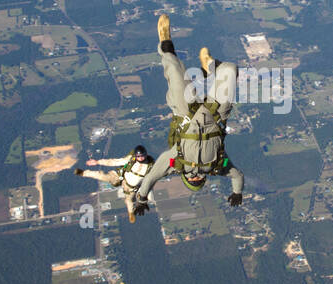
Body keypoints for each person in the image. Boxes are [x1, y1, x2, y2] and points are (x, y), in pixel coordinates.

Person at [130, 14, 244, 215]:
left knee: (174, 70)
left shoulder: (175, 162)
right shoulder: (219, 165)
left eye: (192, 179)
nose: (196, 176)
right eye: (198, 180)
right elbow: (237, 175)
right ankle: (210, 66)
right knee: (230, 69)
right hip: (215, 114)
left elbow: (151, 178)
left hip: (186, 113)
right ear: (205, 178)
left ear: (184, 177)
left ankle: (165, 43)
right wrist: (237, 192)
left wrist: (140, 199)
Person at [74, 145, 154, 222]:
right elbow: (114, 162)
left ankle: (131, 213)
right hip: (120, 177)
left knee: (129, 200)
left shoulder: (149, 166)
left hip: (132, 187)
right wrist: (97, 162)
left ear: (146, 155)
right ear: (135, 156)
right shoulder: (131, 160)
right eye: (138, 156)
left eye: (142, 156)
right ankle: (83, 173)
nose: (140, 158)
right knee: (103, 176)